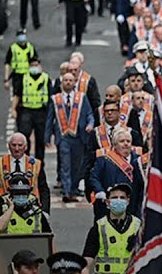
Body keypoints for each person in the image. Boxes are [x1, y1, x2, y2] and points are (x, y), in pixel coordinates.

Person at [0, 133, 50, 225]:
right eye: (14, 145)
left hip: (30, 212)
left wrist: (45, 211)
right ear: (9, 146)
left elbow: (43, 189)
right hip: (3, 211)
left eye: (20, 145)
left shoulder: (36, 164)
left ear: (26, 147)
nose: (17, 149)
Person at [47, 70, 95, 202]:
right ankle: (67, 192)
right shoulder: (55, 99)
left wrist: (90, 124)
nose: (68, 82)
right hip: (63, 138)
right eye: (65, 80)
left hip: (79, 137)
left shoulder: (82, 97)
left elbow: (90, 114)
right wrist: (47, 137)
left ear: (75, 83)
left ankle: (73, 189)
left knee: (77, 166)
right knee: (65, 165)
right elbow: (50, 119)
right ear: (61, 83)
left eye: (70, 80)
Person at [88, 128, 144, 220]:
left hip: (133, 205)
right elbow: (94, 177)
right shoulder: (104, 159)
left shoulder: (139, 160)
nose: (126, 144)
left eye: (128, 141)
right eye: (122, 141)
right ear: (114, 144)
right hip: (109, 204)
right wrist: (100, 191)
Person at [12, 53, 52, 157]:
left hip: (41, 111)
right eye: (32, 65)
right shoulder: (24, 78)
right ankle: (25, 159)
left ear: (40, 66)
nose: (34, 67)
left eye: (36, 65)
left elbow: (51, 97)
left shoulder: (45, 78)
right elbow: (17, 95)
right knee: (24, 135)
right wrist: (13, 109)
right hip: (26, 111)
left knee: (40, 139)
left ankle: (39, 163)